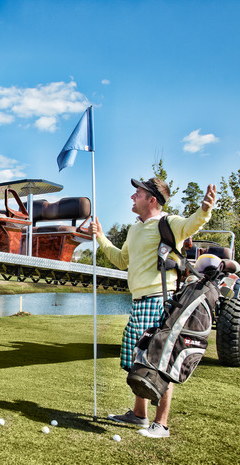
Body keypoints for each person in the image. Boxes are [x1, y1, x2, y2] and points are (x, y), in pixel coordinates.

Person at [90, 177, 217, 438]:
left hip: (160, 300)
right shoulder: (134, 229)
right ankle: (139, 414)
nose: (132, 197)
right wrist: (101, 237)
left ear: (152, 199)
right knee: (139, 360)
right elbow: (121, 260)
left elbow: (193, 223)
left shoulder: (167, 223)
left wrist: (205, 210)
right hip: (138, 301)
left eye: (137, 193)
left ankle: (161, 425)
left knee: (159, 361)